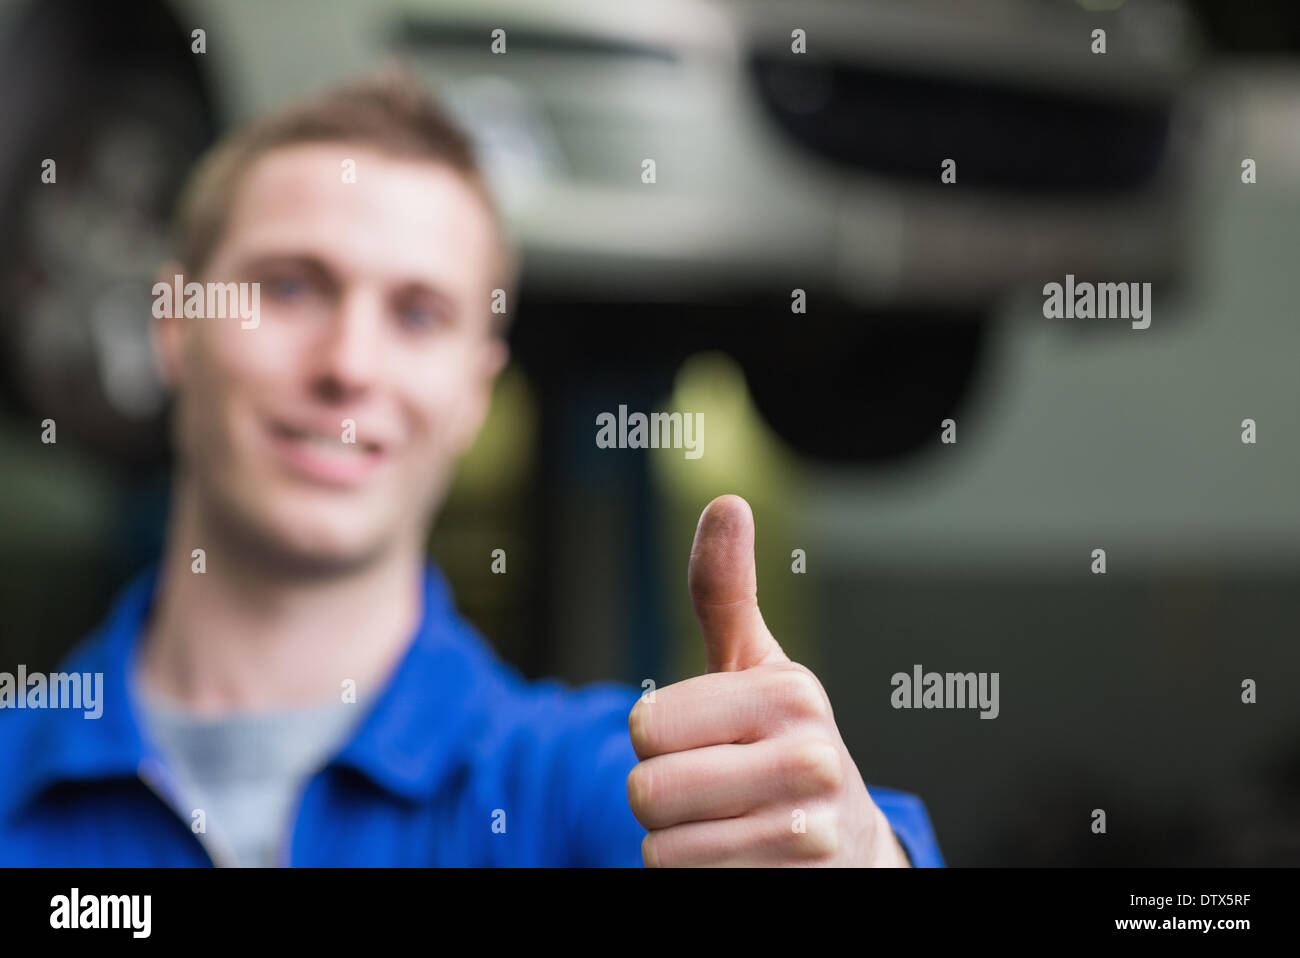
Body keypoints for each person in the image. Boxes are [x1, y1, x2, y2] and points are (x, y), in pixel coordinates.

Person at [0, 72, 944, 867]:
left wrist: (854, 853)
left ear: (475, 391)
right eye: (291, 286)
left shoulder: (594, 791)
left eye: (417, 314)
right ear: (174, 324)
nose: (349, 364)